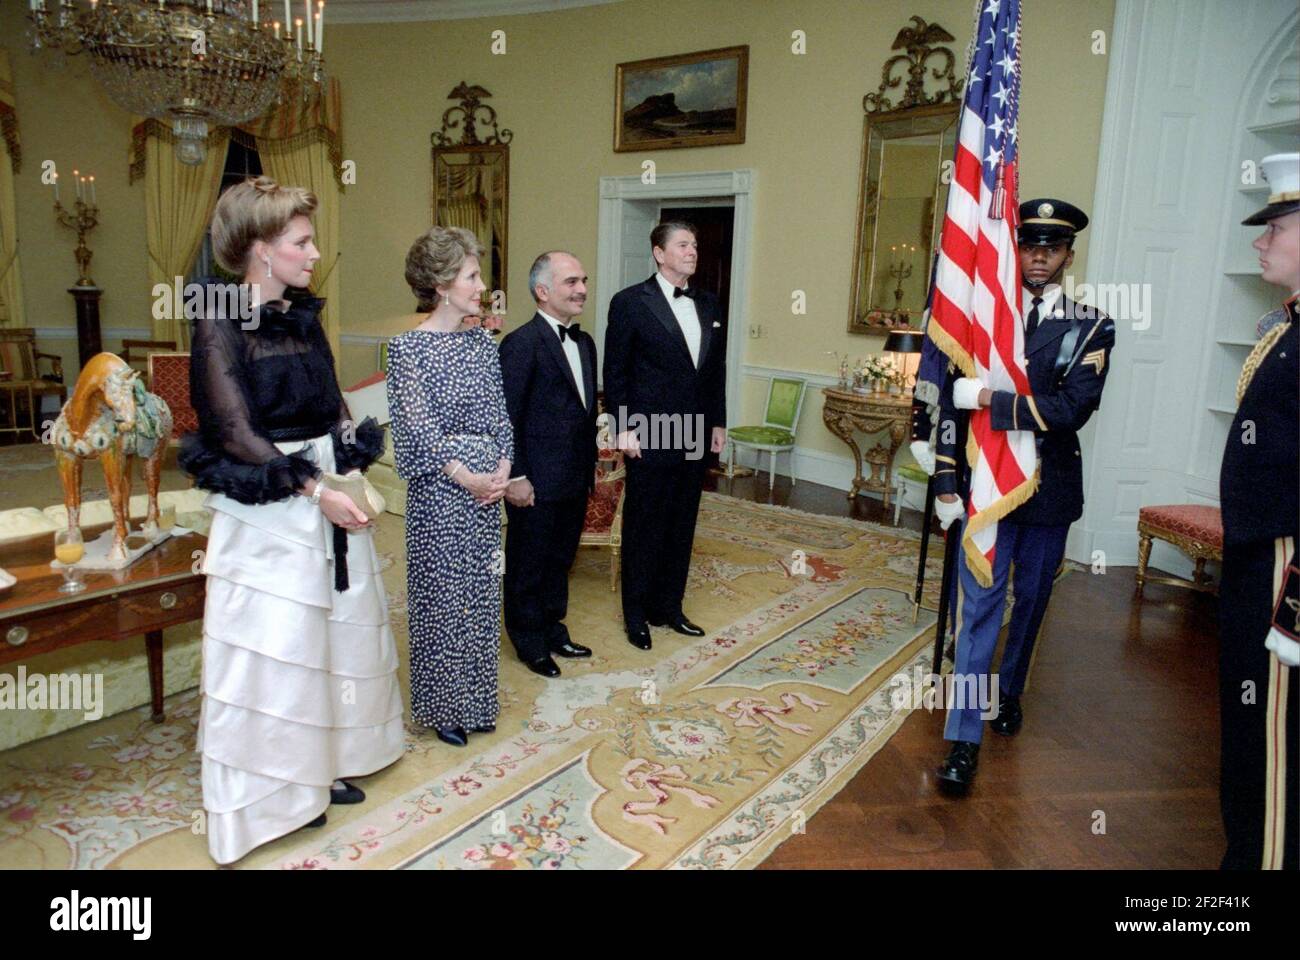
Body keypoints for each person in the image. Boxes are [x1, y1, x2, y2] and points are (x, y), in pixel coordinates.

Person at [180, 176, 402, 865]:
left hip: (328, 490)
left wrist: (351, 455)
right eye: (302, 241)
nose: (314, 253)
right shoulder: (218, 319)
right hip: (272, 506)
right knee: (279, 648)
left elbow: (331, 400)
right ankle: (276, 792)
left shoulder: (303, 314)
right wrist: (312, 488)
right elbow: (232, 430)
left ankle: (326, 763)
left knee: (334, 636)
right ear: (260, 250)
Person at [932, 198, 1115, 794]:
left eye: (1051, 247)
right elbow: (942, 396)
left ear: (1067, 256)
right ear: (1016, 251)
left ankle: (1009, 690)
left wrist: (989, 400)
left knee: (1031, 599)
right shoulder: (986, 316)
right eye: (1030, 245)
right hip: (986, 485)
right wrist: (944, 476)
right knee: (979, 607)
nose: (1039, 256)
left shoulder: (1092, 324)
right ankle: (964, 738)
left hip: (1049, 491)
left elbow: (1070, 410)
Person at [386, 227, 513, 748]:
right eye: (472, 275)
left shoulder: (483, 343)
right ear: (441, 284)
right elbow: (416, 428)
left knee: (482, 593)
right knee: (442, 597)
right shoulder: (406, 349)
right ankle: (442, 709)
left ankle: (478, 701)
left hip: (488, 492)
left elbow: (501, 416)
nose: (482, 285)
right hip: (441, 494)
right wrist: (465, 475)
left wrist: (503, 467)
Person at [1218, 152, 1298, 870]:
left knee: (1272, 742)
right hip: (1257, 557)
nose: (1260, 240)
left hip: (1285, 567)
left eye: (1275, 226)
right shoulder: (1286, 326)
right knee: (1248, 732)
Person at [603, 222, 727, 650]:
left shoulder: (708, 303)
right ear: (659, 253)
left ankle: (668, 607)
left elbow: (715, 371)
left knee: (682, 521)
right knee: (646, 522)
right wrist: (622, 427)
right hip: (650, 430)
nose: (692, 250)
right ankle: (635, 614)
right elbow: (615, 371)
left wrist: (718, 422)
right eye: (683, 244)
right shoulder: (630, 303)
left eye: (694, 243)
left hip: (694, 429)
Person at [497, 252, 599, 678]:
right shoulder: (520, 344)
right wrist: (516, 476)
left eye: (584, 280)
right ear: (542, 291)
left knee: (561, 559)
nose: (582, 289)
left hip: (574, 475)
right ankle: (528, 639)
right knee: (529, 561)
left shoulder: (586, 342)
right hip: (534, 479)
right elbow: (506, 417)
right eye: (571, 282)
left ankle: (553, 627)